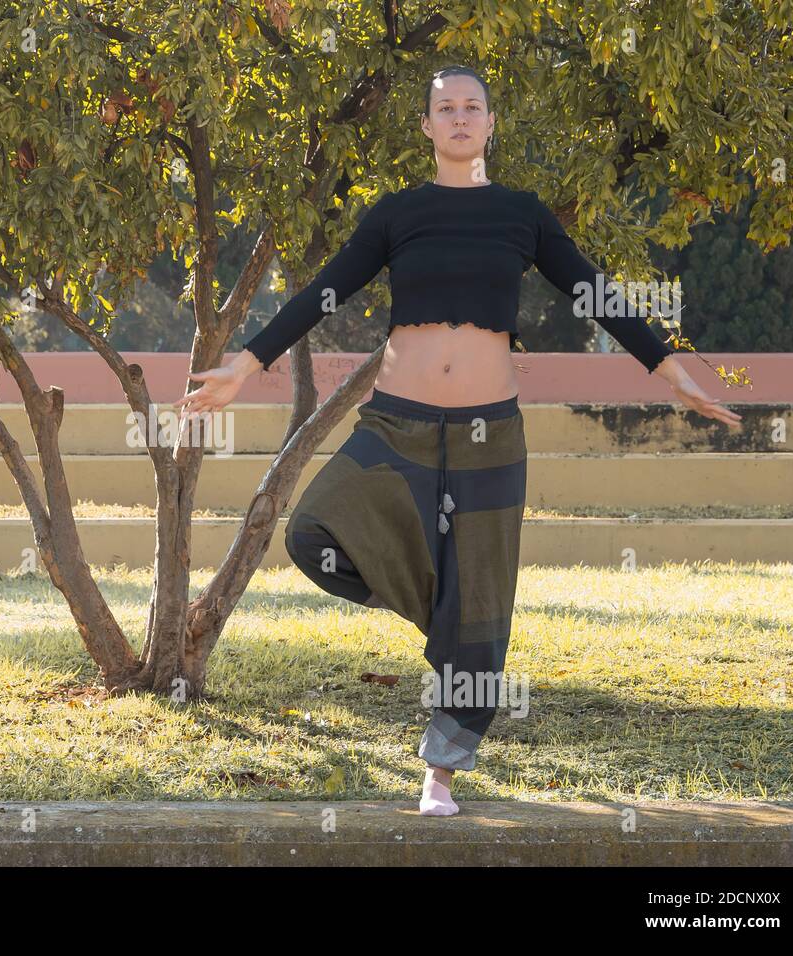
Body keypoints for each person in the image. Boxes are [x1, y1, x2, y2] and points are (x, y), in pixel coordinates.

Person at [177, 65, 741, 816]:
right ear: (428, 126)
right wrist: (247, 366)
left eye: (473, 106)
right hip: (396, 426)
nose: (461, 117)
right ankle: (434, 613)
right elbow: (326, 289)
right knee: (314, 532)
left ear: (491, 122)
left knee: (481, 611)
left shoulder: (521, 213)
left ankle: (439, 773)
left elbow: (593, 289)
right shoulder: (397, 214)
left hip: (489, 442)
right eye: (446, 108)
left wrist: (670, 369)